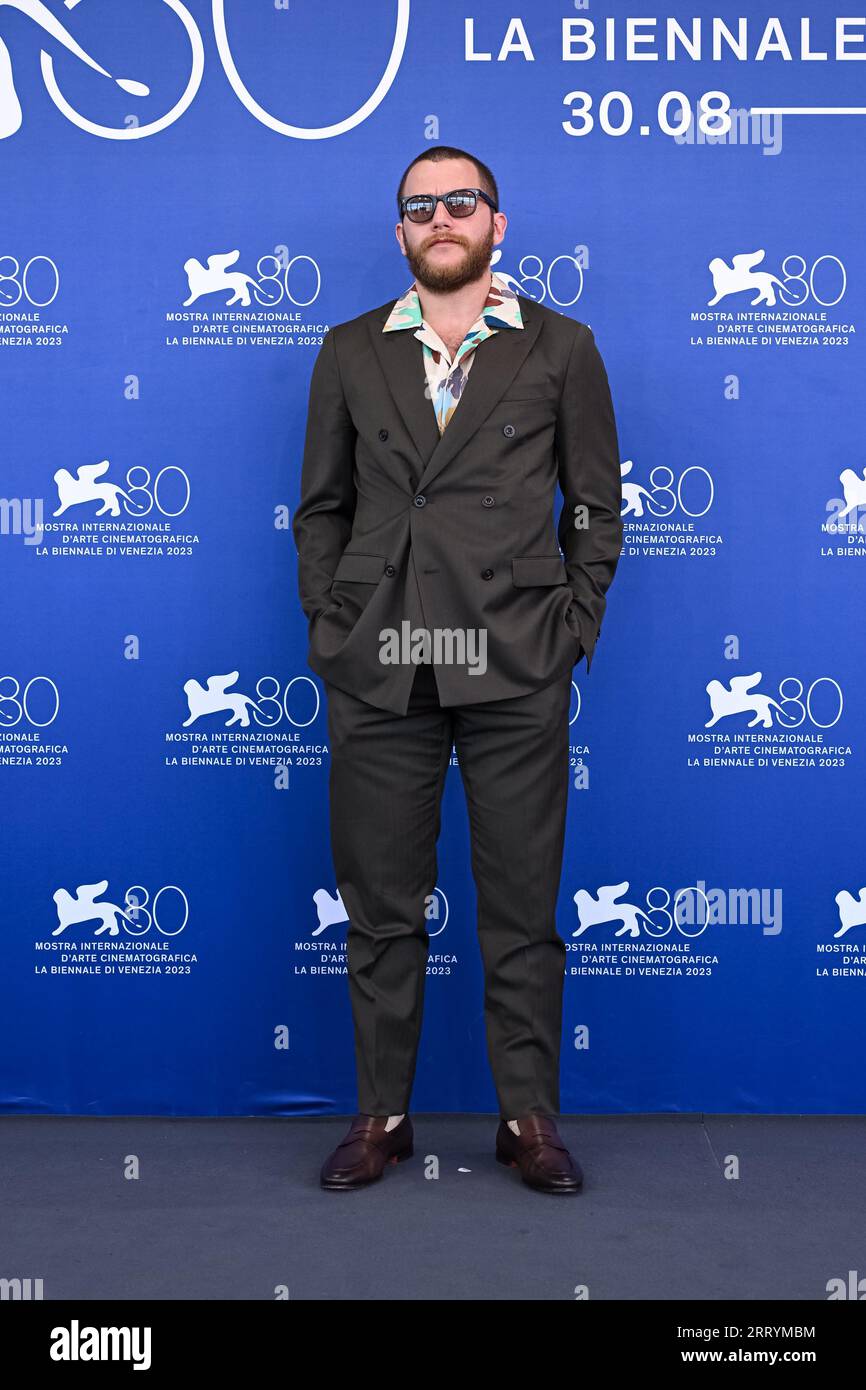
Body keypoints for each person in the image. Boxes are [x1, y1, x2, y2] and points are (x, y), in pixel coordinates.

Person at [292, 145, 623, 1194]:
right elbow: (321, 509)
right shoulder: (349, 349)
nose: (441, 217)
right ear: (400, 232)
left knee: (520, 906)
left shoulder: (560, 347)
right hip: (383, 659)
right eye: (420, 206)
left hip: (512, 657)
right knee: (381, 905)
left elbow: (596, 508)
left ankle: (527, 1119)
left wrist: (570, 625)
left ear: (495, 222)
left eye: (460, 201)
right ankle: (381, 1116)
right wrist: (331, 619)